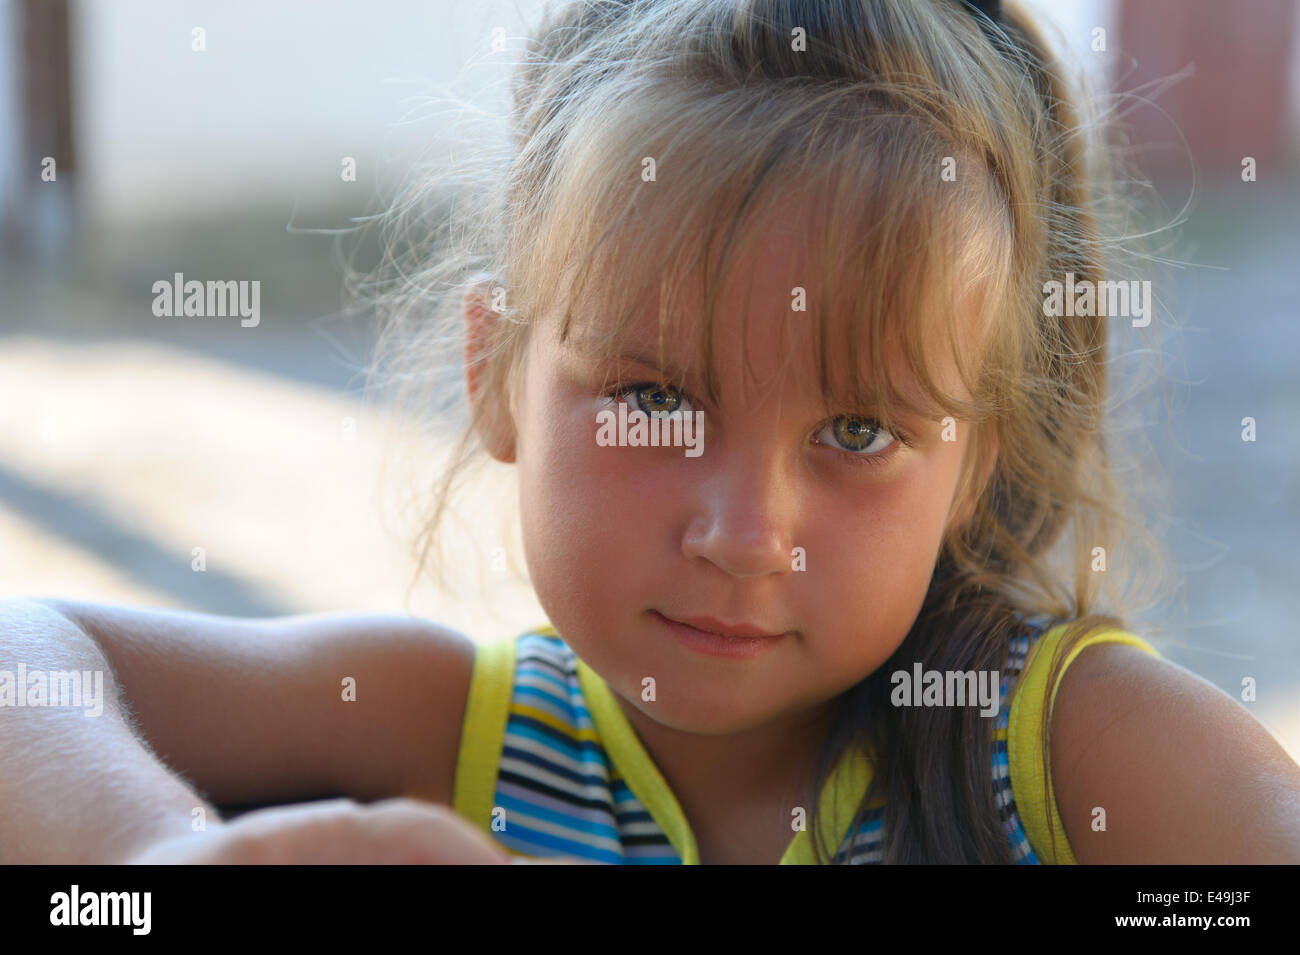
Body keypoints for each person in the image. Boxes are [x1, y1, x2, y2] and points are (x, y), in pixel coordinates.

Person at [4, 0, 1298, 864]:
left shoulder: (1064, 750)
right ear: (499, 373)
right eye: (654, 401)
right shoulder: (454, 735)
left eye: (857, 429)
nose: (746, 536)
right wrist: (159, 856)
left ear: (978, 463)